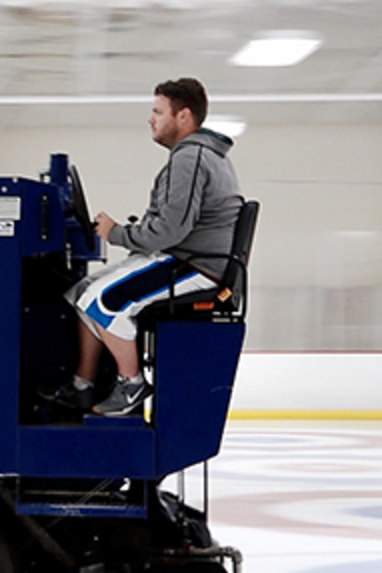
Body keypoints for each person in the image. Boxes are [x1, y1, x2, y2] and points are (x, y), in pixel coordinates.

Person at [52, 77, 242, 416]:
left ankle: (131, 384)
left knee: (105, 300)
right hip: (183, 256)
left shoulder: (192, 157)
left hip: (195, 265)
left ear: (183, 116)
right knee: (81, 291)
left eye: (158, 111)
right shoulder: (195, 156)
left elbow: (171, 229)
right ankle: (84, 383)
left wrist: (118, 234)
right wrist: (130, 233)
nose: (151, 119)